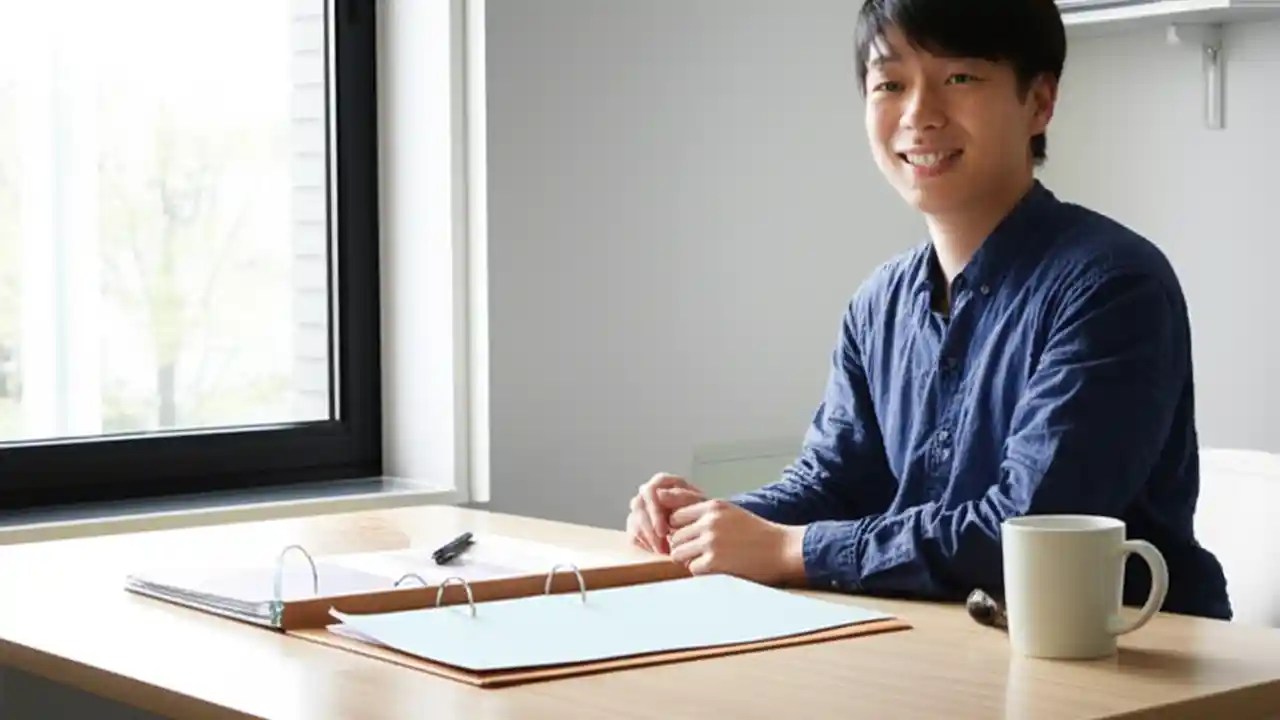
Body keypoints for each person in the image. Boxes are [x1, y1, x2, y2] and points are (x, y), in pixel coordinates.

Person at [624, 0, 1231, 619]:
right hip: (951, 646)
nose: (919, 115)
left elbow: (1028, 532)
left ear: (1040, 102)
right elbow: (832, 484)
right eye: (890, 84)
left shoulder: (1110, 286)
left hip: (1135, 664)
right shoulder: (878, 304)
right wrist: (706, 523)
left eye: (959, 78)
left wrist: (788, 548)